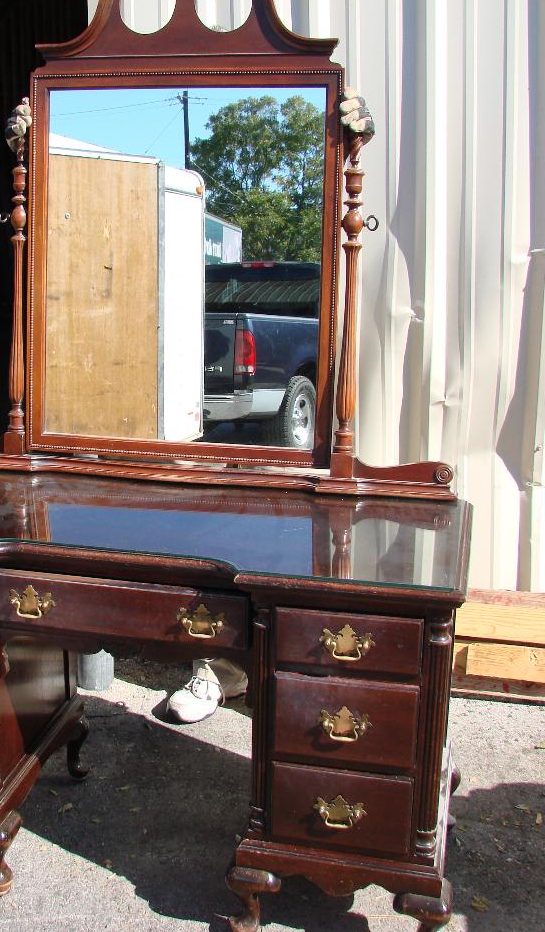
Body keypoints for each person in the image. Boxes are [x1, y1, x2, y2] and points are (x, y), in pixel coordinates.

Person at [167, 88, 375, 725]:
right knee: (204, 552)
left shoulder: (315, 317)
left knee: (286, 561)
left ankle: (287, 680)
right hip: (209, 454)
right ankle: (219, 669)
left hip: (296, 467)